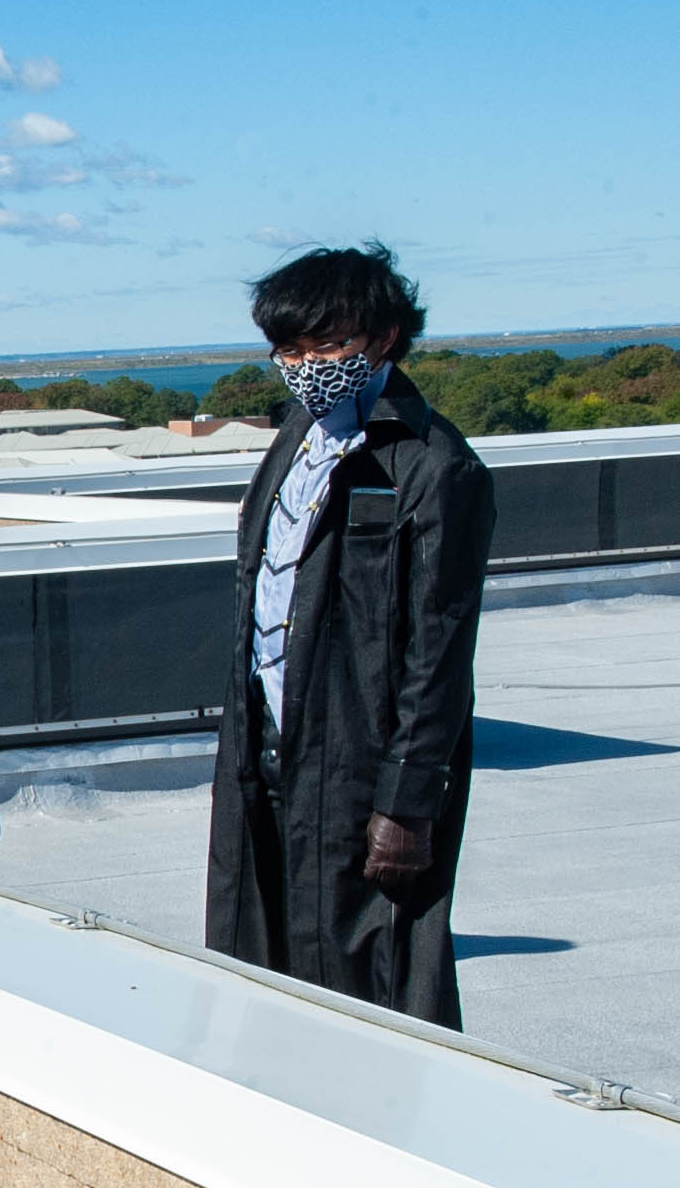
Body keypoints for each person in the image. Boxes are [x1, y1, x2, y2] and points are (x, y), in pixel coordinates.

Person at [205, 243, 495, 1028]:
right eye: (289, 350)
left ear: (384, 336)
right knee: (256, 956)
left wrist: (406, 802)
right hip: (265, 747)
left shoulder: (432, 467)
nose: (306, 367)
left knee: (366, 979)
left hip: (358, 764)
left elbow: (439, 652)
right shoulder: (294, 438)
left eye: (327, 346)